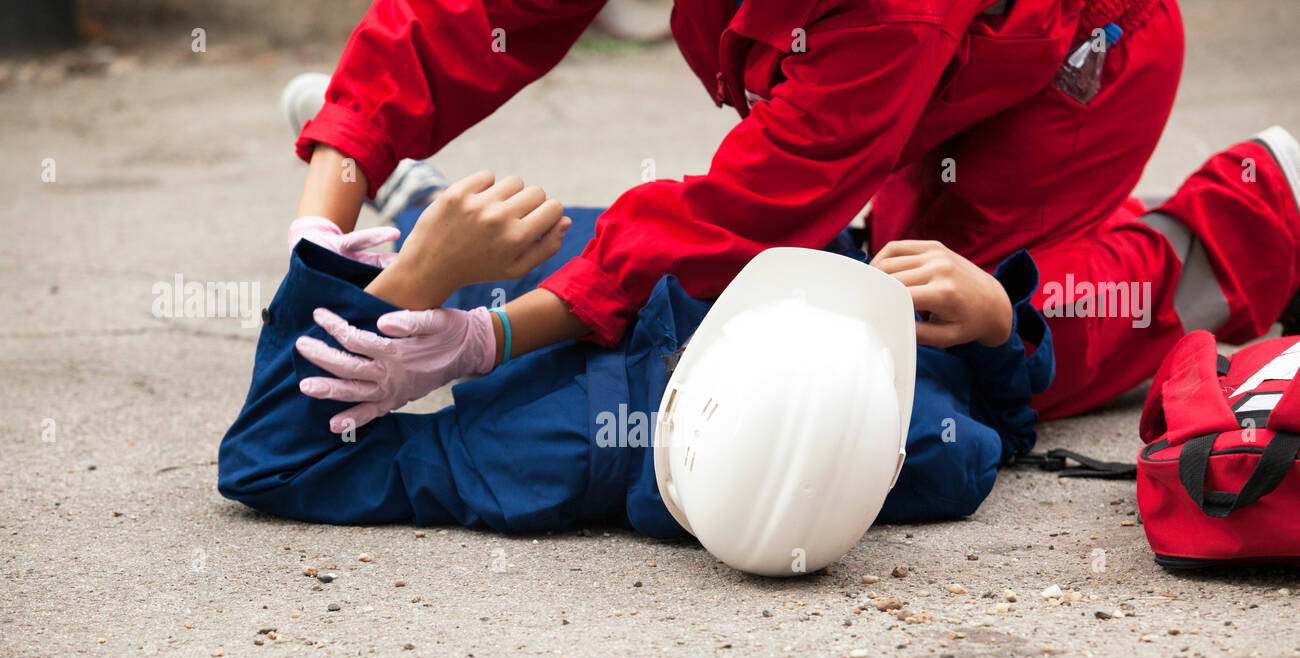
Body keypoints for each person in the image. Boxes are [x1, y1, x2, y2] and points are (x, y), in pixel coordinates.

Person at [283, 0, 1300, 423]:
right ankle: (423, 211)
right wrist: (321, 214)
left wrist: (484, 336)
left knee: (946, 332)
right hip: (924, 76)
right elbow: (475, 18)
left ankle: (1243, 223)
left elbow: (744, 217)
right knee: (834, 275)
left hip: (1081, 69)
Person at [218, 173, 1054, 557]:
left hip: (514, 271)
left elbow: (272, 463)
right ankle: (417, 205)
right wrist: (992, 322)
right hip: (627, 244)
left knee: (496, 231)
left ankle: (406, 208)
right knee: (582, 225)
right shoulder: (923, 447)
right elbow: (1007, 427)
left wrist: (403, 284)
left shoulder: (546, 458)